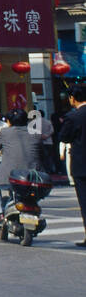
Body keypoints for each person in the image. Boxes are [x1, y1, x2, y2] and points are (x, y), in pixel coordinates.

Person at [0, 108, 45, 225]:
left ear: (9, 122)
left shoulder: (5, 132)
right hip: (34, 177)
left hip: (12, 177)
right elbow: (42, 152)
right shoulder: (35, 133)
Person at [57, 84, 86, 247]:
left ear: (73, 98)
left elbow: (64, 137)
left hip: (82, 164)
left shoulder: (73, 117)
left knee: (85, 201)